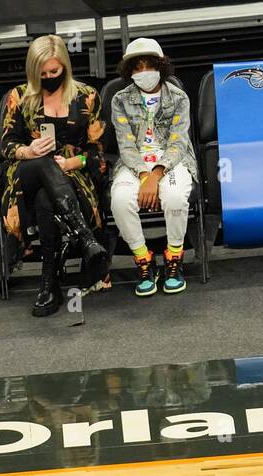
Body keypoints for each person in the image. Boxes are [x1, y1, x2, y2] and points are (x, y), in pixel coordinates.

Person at [0, 33, 113, 317]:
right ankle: (85, 238)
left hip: (70, 176)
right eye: (42, 73)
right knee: (43, 164)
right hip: (24, 173)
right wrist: (29, 149)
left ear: (65, 68)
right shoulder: (19, 96)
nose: (48, 77)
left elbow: (99, 154)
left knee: (47, 200)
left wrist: (74, 163)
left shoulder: (86, 96)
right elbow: (5, 145)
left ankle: (49, 282)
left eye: (54, 72)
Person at [108, 36, 198, 297]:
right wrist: (144, 174)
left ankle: (174, 258)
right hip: (134, 161)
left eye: (149, 66)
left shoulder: (179, 98)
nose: (144, 72)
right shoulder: (120, 100)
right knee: (121, 199)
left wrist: (156, 173)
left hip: (173, 160)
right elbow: (125, 146)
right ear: (130, 72)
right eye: (137, 67)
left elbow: (179, 142)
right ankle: (143, 259)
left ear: (161, 66)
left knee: (174, 196)